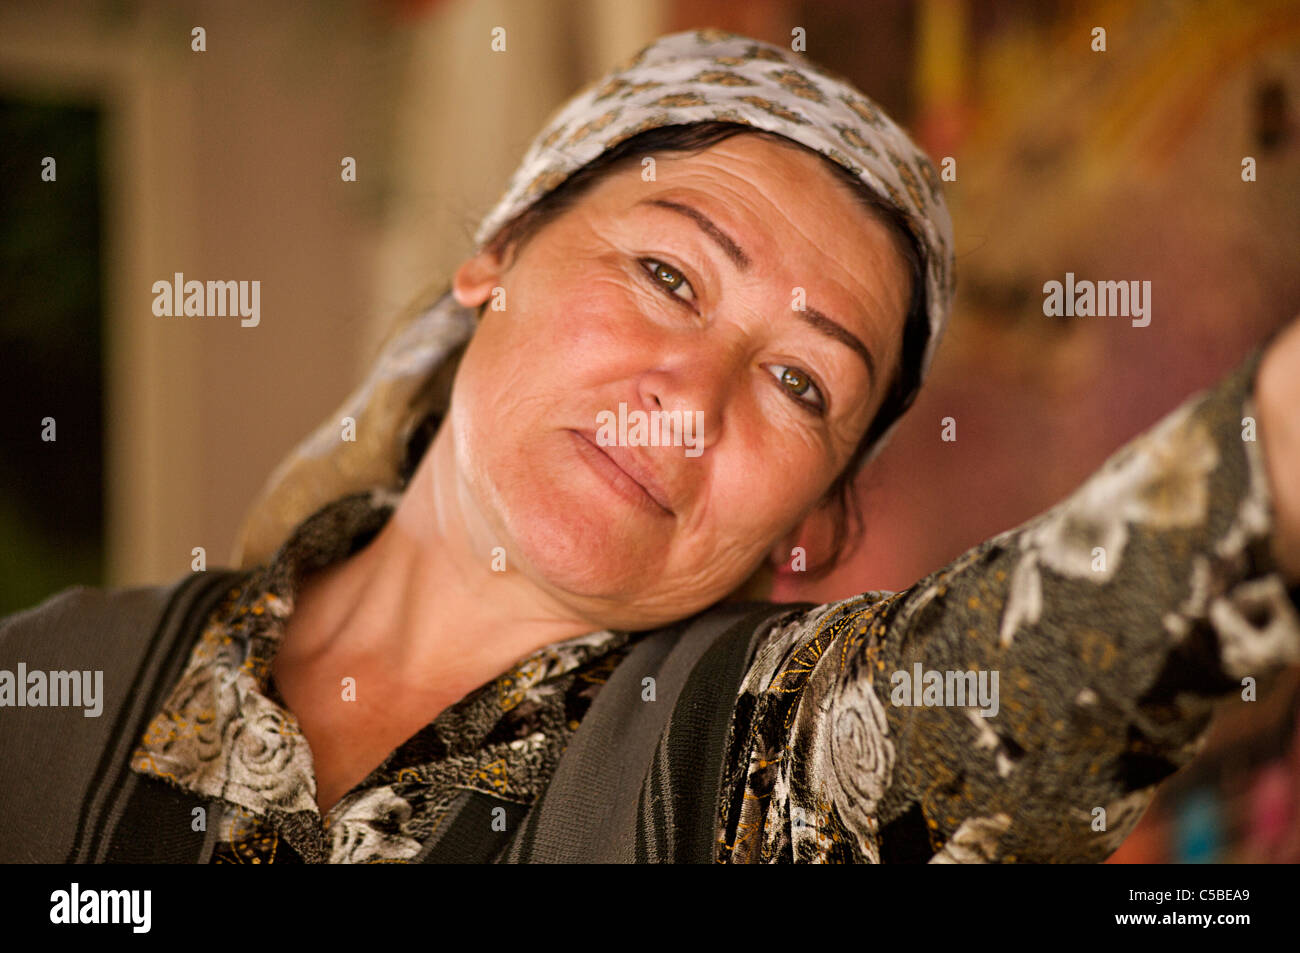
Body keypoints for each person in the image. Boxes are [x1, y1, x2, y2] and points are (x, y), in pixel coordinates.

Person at [2, 28, 1298, 864]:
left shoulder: (745, 781)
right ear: (494, 257)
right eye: (671, 276)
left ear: (814, 519)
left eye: (800, 381)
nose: (690, 392)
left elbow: (1047, 665)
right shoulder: (57, 685)